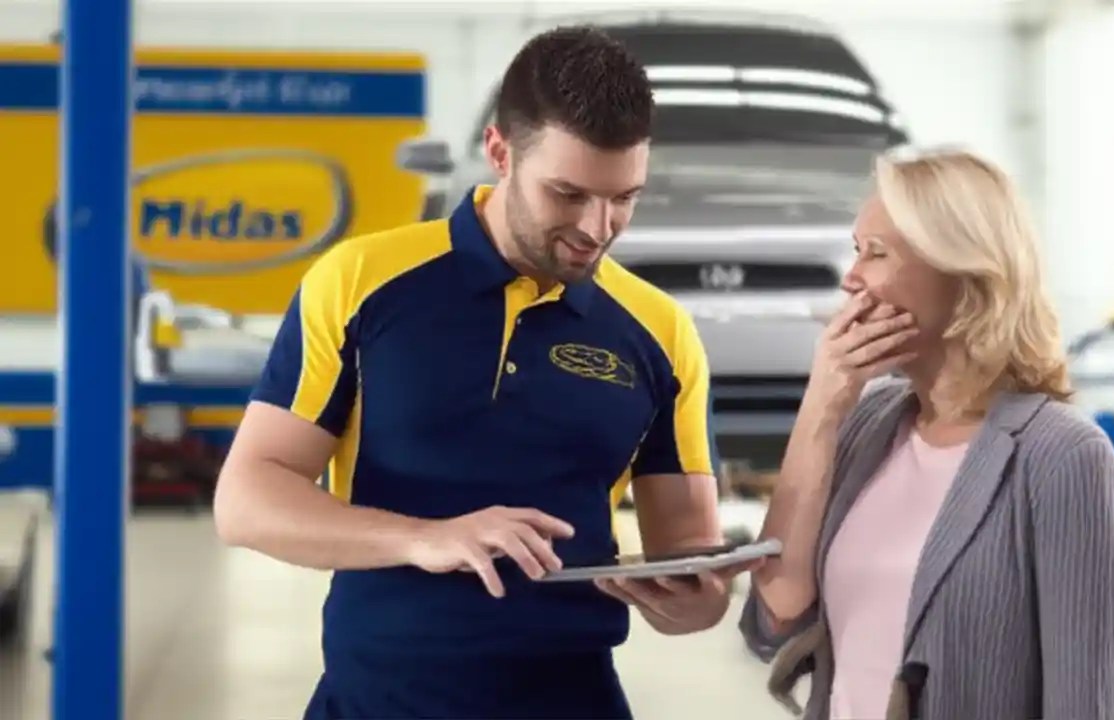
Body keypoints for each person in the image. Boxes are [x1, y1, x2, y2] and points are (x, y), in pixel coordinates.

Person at [213, 25, 750, 720]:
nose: (598, 226)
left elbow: (688, 568)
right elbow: (247, 500)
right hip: (377, 701)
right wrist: (425, 538)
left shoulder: (660, 332)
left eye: (625, 197)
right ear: (500, 152)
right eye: (568, 193)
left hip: (575, 700)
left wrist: (696, 601)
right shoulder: (360, 282)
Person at [739, 146, 1114, 720]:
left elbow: (1086, 704)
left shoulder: (1063, 458)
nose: (851, 280)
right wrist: (822, 406)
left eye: (876, 254)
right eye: (855, 251)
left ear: (962, 273)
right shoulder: (868, 424)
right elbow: (774, 620)